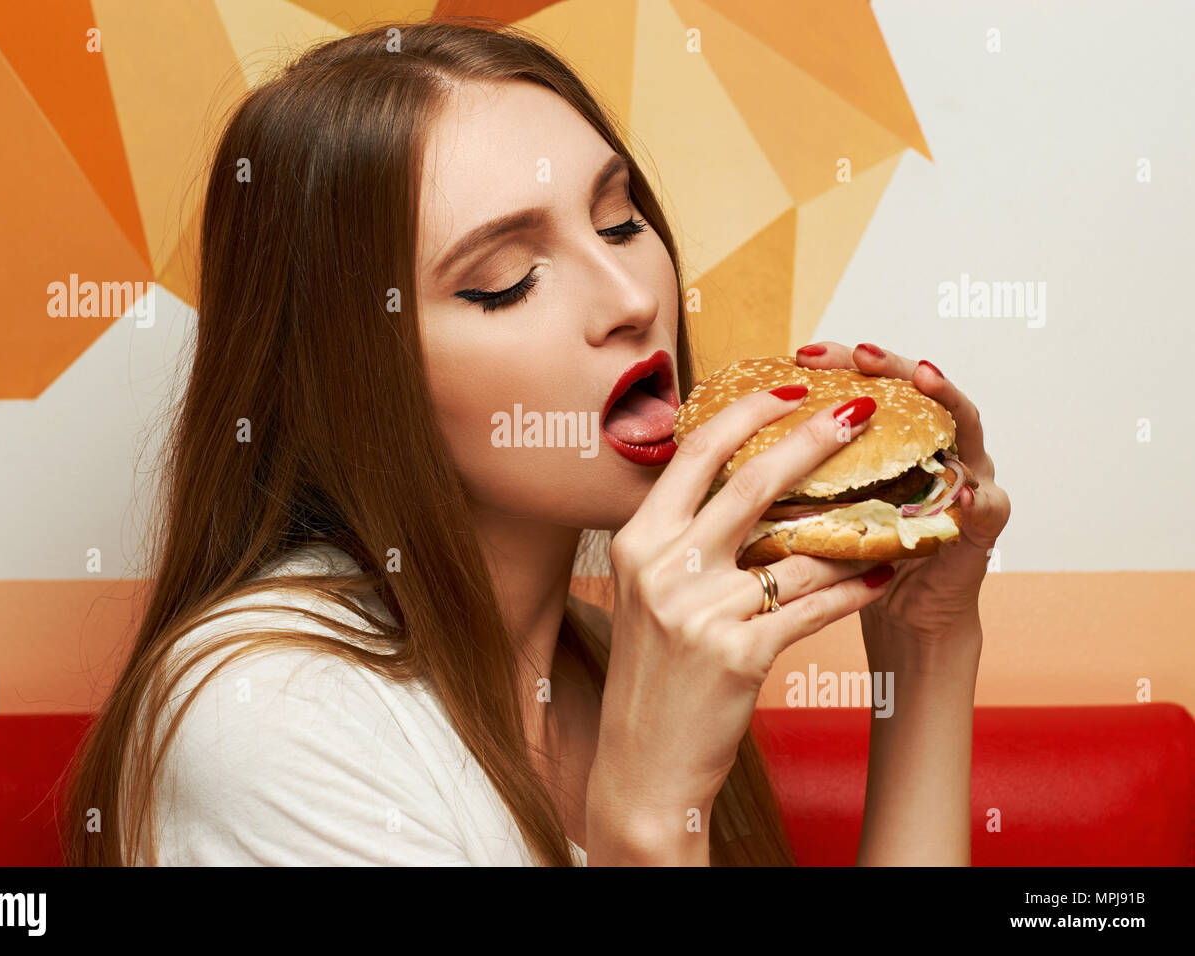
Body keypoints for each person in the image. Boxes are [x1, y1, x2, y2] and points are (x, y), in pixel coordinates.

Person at [63, 18, 1010, 866]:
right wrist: (649, 816)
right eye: (507, 280)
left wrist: (924, 650)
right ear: (353, 376)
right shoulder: (269, 719)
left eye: (621, 220)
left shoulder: (611, 656)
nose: (635, 299)